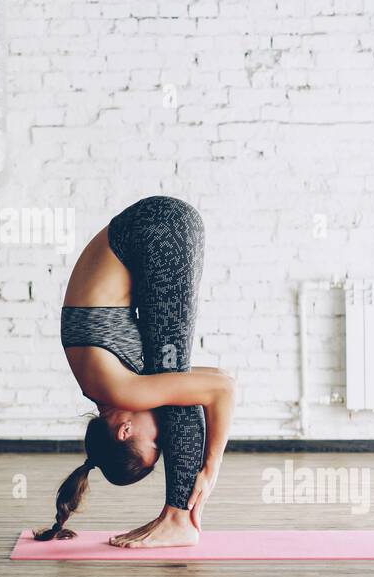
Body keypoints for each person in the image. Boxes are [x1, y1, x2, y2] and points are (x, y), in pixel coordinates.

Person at [34, 196, 234, 548]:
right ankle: (173, 517)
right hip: (155, 227)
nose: (162, 437)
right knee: (176, 381)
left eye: (154, 442)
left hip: (156, 231)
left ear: (124, 430)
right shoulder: (105, 381)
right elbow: (217, 379)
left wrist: (211, 467)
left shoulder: (118, 390)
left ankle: (179, 519)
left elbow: (222, 390)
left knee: (178, 391)